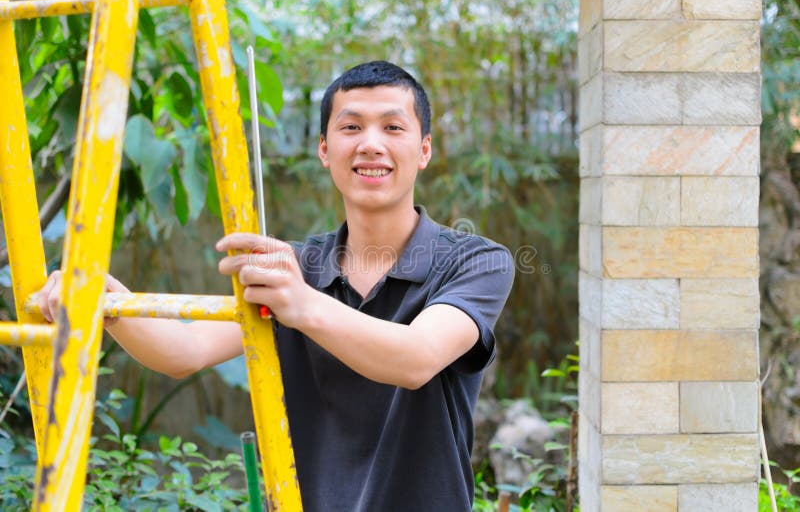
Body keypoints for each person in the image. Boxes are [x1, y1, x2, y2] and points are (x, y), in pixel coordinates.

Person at [37, 61, 514, 511]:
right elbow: (183, 350)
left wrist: (301, 304)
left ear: (424, 149)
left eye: (393, 127)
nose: (370, 144)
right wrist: (108, 297)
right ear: (324, 149)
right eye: (350, 127)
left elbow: (416, 359)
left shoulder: (475, 260)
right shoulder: (294, 269)